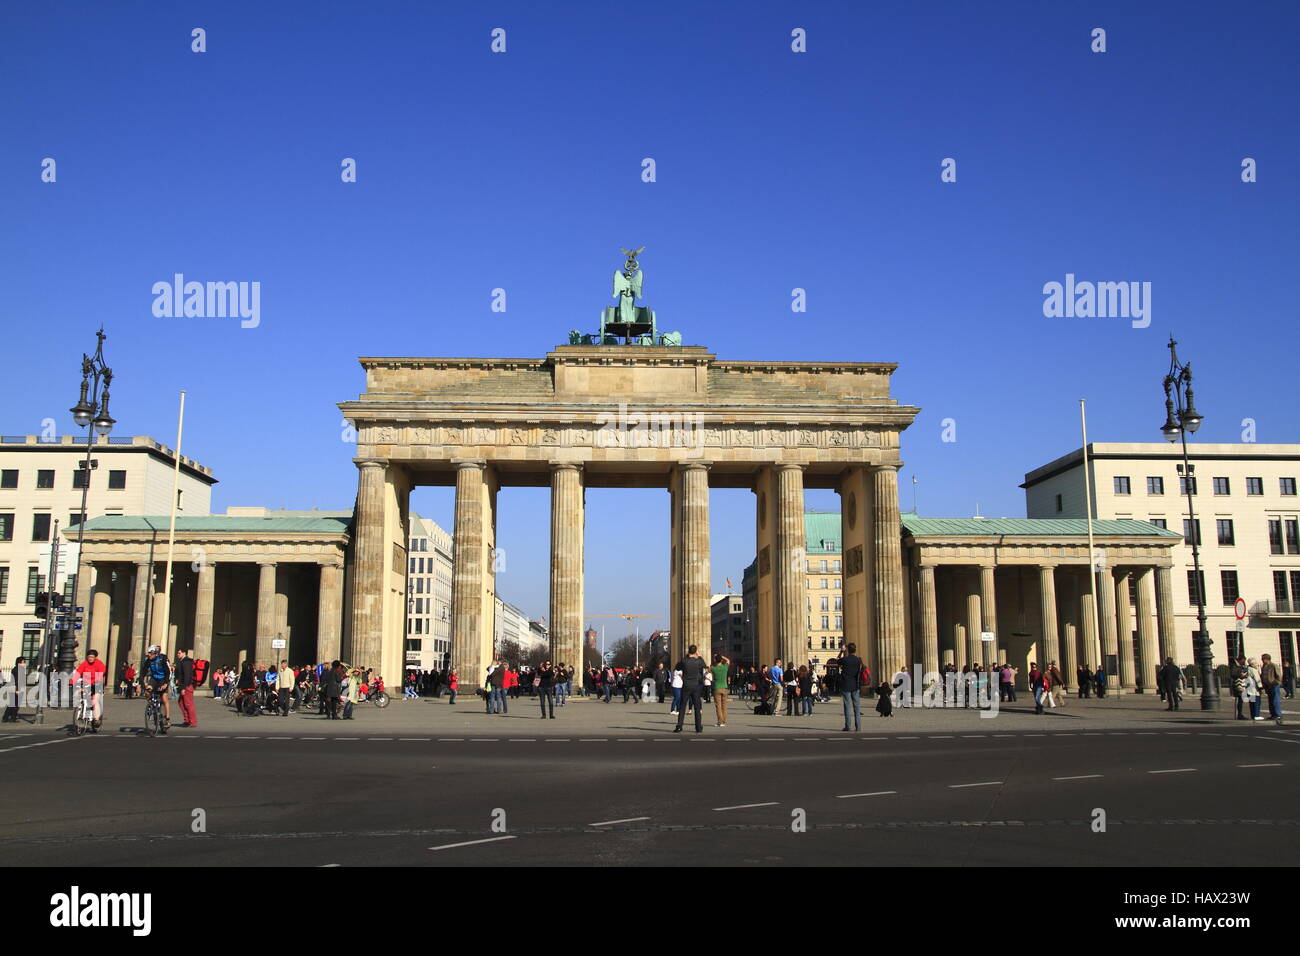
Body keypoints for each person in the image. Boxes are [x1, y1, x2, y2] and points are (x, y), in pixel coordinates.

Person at [673, 645, 707, 733]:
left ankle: (679, 726)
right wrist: (699, 656)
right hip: (695, 685)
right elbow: (704, 665)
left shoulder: (684, 661)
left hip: (686, 685)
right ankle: (698, 727)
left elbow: (677, 667)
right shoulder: (698, 661)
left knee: (682, 706)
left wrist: (685, 656)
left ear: (688, 651)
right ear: (695, 651)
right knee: (697, 707)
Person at [73, 649, 108, 731]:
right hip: (87, 683)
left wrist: (97, 681)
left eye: (92, 657)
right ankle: (82, 710)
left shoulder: (99, 664)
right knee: (81, 695)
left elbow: (102, 672)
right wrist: (72, 682)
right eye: (89, 657)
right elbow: (78, 673)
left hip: (97, 683)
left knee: (95, 700)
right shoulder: (84, 664)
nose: (90, 658)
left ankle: (96, 719)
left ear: (95, 657)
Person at [143, 645, 173, 731]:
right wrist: (142, 685)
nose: (149, 655)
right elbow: (143, 672)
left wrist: (166, 684)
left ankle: (167, 719)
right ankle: (151, 705)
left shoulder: (163, 659)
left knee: (164, 699)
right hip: (154, 679)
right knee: (147, 691)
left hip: (163, 679)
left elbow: (169, 672)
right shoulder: (149, 660)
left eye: (151, 653)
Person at [838, 643, 864, 731]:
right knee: (857, 707)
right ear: (855, 649)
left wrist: (841, 651)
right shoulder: (858, 660)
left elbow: (837, 660)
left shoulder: (845, 659)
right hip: (855, 685)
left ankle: (848, 726)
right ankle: (858, 726)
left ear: (848, 650)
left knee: (847, 706)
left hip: (846, 685)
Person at [173, 649, 198, 728]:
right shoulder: (182, 661)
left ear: (184, 653)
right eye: (177, 653)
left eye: (179, 653)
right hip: (183, 685)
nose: (178, 654)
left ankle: (193, 722)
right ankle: (187, 720)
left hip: (187, 686)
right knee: (181, 702)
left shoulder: (186, 662)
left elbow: (187, 676)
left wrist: (184, 688)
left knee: (188, 704)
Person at [1260, 654, 1284, 724]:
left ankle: (1278, 714)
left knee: (1275, 700)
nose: (1262, 660)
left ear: (1267, 659)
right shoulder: (1264, 666)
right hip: (1268, 685)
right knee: (1270, 700)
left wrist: (1277, 682)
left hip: (1274, 685)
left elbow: (1278, 675)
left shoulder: (1273, 665)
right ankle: (1273, 714)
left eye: (1263, 659)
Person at [711, 654, 731, 727]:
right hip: (725, 687)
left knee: (718, 706)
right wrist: (722, 656)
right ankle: (724, 721)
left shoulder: (713, 668)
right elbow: (728, 660)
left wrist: (715, 658)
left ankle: (720, 721)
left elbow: (707, 667)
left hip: (717, 688)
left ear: (715, 660)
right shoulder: (725, 667)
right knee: (724, 706)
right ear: (721, 660)